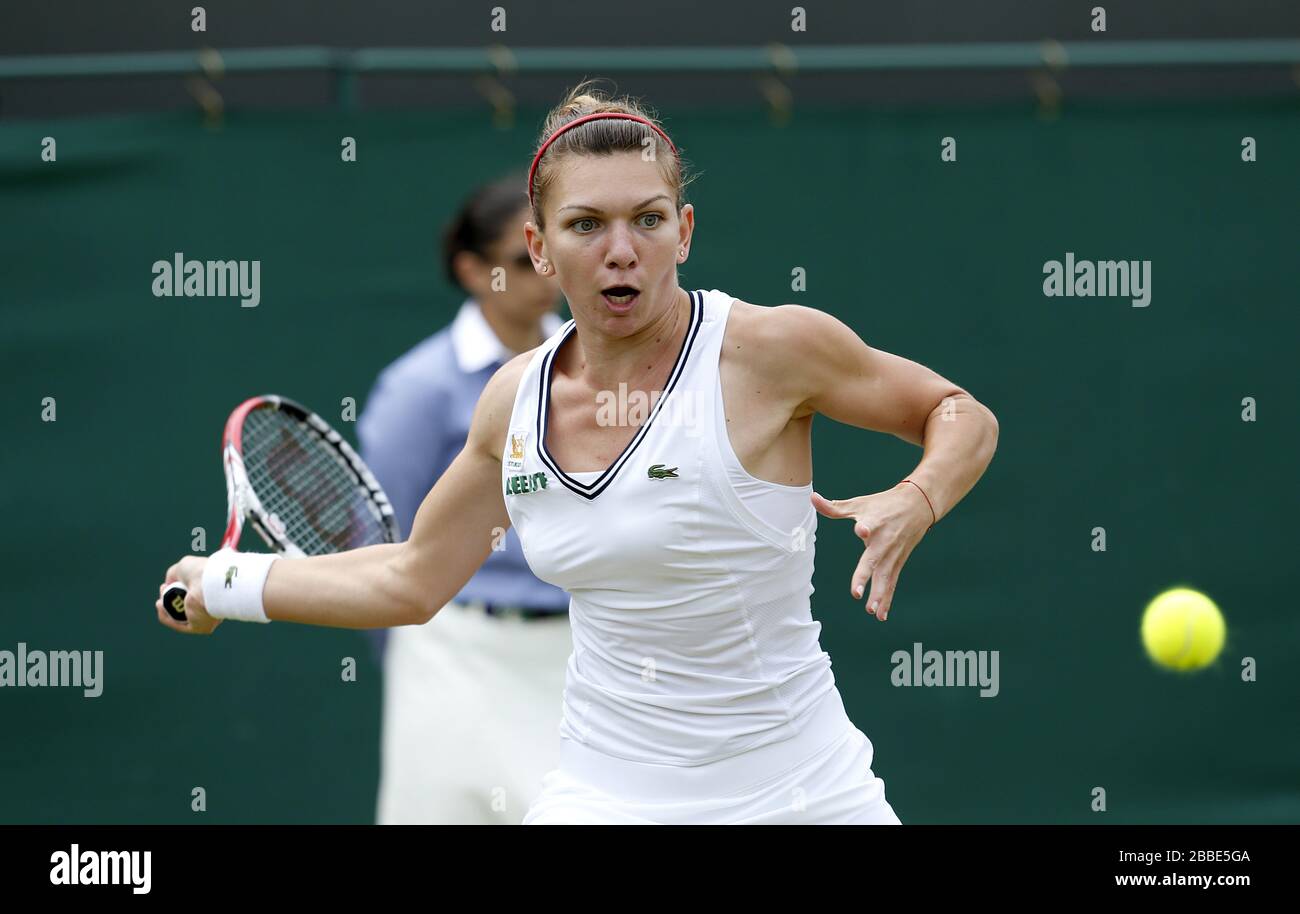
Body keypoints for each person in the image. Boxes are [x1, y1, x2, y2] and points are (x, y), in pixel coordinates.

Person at [156, 83, 999, 825]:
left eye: (648, 220)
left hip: (801, 790)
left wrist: (917, 497)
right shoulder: (512, 403)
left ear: (684, 231)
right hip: (605, 795)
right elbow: (411, 579)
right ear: (538, 248)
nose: (620, 249)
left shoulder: (772, 351)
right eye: (586, 225)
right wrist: (226, 584)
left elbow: (959, 413)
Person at [357, 173, 570, 825]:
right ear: (472, 270)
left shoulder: (602, 372)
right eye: (521, 260)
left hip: (584, 655)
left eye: (552, 251)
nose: (546, 273)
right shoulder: (418, 389)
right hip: (452, 655)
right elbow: (382, 542)